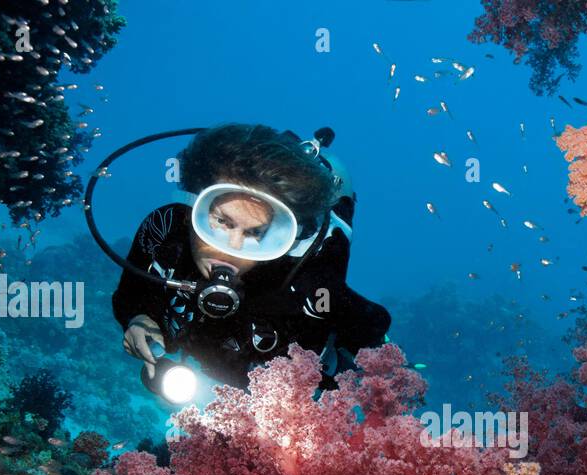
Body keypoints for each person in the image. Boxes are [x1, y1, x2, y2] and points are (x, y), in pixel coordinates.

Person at [112, 123, 391, 395]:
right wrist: (139, 319)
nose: (232, 249)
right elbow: (129, 294)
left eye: (255, 232)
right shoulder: (163, 229)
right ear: (192, 207)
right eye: (222, 222)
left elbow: (372, 322)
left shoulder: (309, 279)